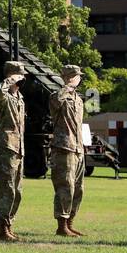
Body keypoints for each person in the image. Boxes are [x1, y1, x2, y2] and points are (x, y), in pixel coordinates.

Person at [0, 60, 27, 242]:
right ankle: (1, 229)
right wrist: (9, 79)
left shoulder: (19, 98)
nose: (22, 78)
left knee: (17, 191)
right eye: (18, 75)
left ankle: (9, 225)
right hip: (5, 147)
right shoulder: (3, 95)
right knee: (5, 189)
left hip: (18, 149)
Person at [49, 64, 85, 237]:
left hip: (78, 148)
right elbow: (56, 100)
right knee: (65, 187)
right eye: (76, 76)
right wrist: (68, 85)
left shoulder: (78, 98)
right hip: (64, 147)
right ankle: (61, 225)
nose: (79, 79)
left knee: (78, 189)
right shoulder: (58, 95)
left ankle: (70, 223)